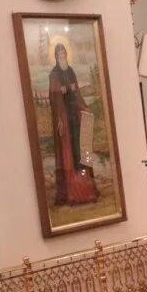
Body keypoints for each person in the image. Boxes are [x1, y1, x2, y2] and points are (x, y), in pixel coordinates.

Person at [49, 43, 98, 205]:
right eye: (59, 52)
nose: (62, 54)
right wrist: (60, 91)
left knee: (81, 152)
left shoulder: (70, 71)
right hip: (64, 116)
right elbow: (54, 97)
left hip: (75, 116)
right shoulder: (54, 73)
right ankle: (72, 194)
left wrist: (84, 108)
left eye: (64, 51)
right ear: (56, 55)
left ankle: (86, 192)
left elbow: (76, 92)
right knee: (69, 154)